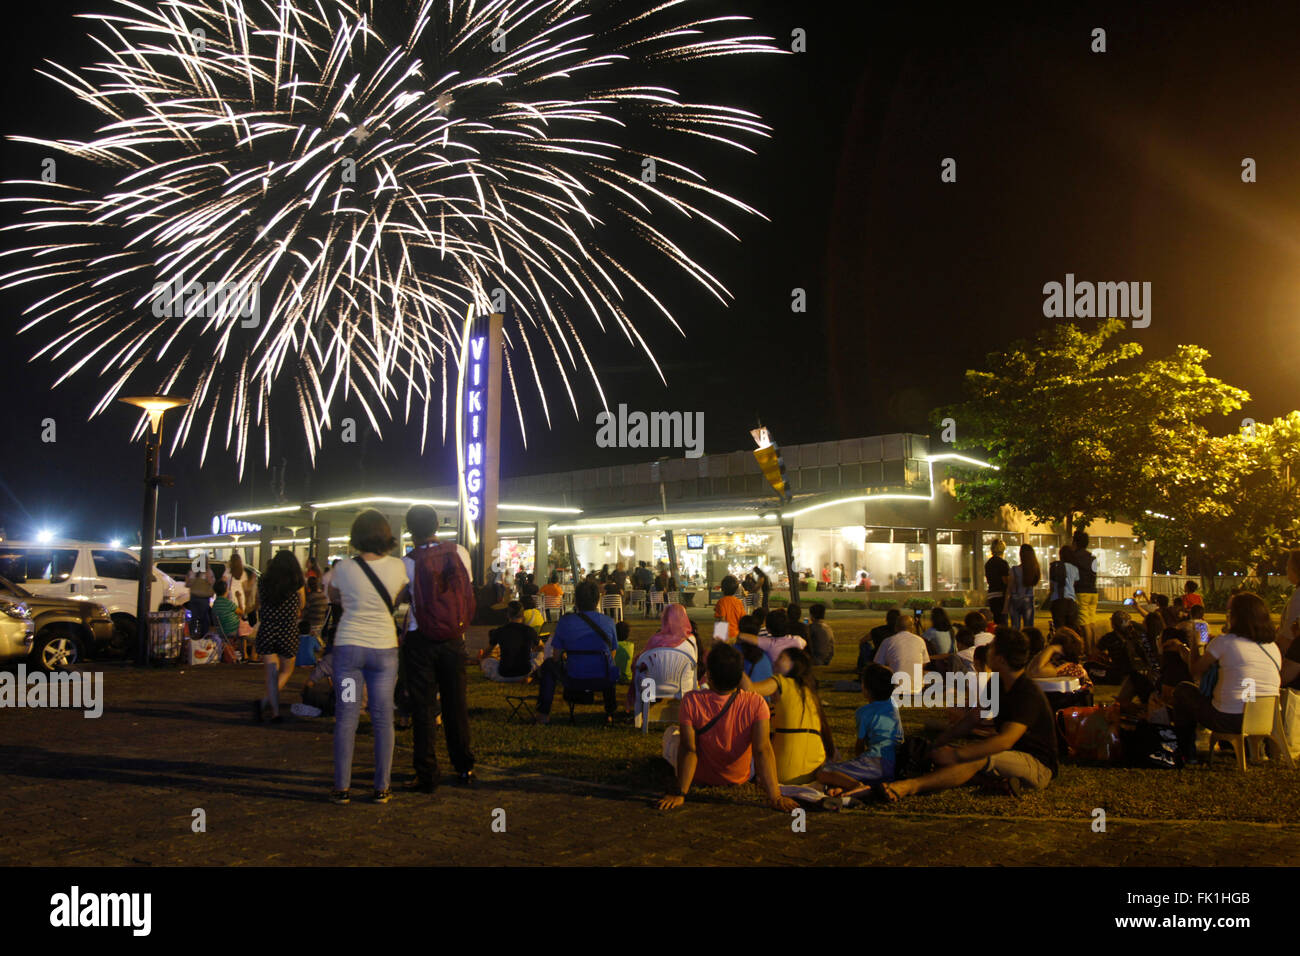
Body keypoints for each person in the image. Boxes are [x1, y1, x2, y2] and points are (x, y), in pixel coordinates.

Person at [881, 628, 1059, 800]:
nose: (988, 652)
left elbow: (1005, 740)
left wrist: (958, 754)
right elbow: (973, 718)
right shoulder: (997, 682)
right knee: (958, 757)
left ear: (1001, 659)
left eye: (993, 648)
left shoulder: (1027, 693)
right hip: (1011, 756)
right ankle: (996, 783)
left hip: (1038, 766)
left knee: (975, 757)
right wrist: (939, 743)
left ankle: (910, 786)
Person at [326, 511, 409, 804]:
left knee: (347, 716)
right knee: (383, 717)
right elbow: (398, 598)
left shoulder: (344, 568)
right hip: (383, 652)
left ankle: (341, 787)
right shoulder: (399, 567)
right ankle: (381, 787)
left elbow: (333, 596)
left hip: (349, 651)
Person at [658, 642, 798, 812]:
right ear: (740, 676)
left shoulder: (691, 700)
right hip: (741, 775)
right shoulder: (756, 702)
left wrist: (680, 793)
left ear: (709, 675)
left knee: (671, 733)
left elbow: (689, 749)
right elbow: (762, 750)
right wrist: (775, 796)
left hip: (699, 775)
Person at [401, 504, 476, 792]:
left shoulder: (409, 562)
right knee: (456, 704)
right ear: (436, 526)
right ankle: (464, 766)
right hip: (454, 639)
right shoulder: (459, 552)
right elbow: (465, 588)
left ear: (410, 530)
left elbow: (404, 597)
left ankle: (427, 772)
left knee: (424, 708)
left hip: (421, 639)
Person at [1172, 591, 1282, 762]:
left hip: (1229, 719)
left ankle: (1187, 752)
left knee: (1183, 691)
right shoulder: (1272, 647)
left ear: (1237, 617)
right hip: (1266, 719)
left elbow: (1195, 670)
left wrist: (1194, 643)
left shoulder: (1225, 642)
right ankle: (1240, 747)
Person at [745, 648, 833, 784]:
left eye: (781, 658)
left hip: (782, 770)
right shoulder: (809, 691)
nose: (775, 661)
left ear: (794, 664)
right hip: (814, 768)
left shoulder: (780, 682)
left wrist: (735, 666)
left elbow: (749, 689)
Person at [536, 580, 620, 724]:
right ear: (597, 600)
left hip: (573, 677)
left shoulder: (565, 622)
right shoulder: (608, 622)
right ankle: (610, 712)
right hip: (602, 678)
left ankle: (543, 714)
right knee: (609, 665)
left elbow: (556, 656)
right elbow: (612, 655)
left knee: (549, 665)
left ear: (576, 600)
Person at [815, 664, 904, 792]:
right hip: (895, 763)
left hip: (874, 762)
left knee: (823, 773)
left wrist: (858, 761)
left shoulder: (863, 712)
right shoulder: (893, 705)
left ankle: (856, 786)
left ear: (865, 689)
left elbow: (860, 746)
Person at [253, 550, 306, 723]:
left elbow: (258, 602)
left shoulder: (263, 581)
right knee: (287, 671)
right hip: (287, 630)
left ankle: (275, 712)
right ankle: (263, 703)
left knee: (271, 674)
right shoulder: (296, 582)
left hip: (267, 629)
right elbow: (303, 603)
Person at [482, 600, 542, 682]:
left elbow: (487, 652)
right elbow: (541, 647)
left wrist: (481, 659)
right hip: (524, 672)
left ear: (508, 614)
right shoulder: (529, 630)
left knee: (486, 661)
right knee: (541, 654)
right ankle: (530, 677)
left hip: (503, 674)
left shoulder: (500, 630)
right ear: (523, 614)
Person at [1027, 627, 1093, 688]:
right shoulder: (1071, 666)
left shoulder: (1068, 667)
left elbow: (1034, 671)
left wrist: (1051, 648)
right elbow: (1030, 670)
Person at [736, 607, 806, 664]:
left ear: (768, 629)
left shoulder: (768, 643)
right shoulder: (798, 640)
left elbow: (742, 636)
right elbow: (804, 643)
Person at [874, 612, 930, 677]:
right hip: (916, 685)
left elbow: (878, 664)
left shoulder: (888, 641)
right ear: (912, 627)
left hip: (895, 684)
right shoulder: (920, 641)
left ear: (896, 627)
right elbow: (924, 663)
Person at [225, 551, 258, 662]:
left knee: (236, 627)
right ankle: (244, 653)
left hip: (232, 600)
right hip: (241, 600)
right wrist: (252, 581)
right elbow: (246, 588)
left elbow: (223, 583)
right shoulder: (242, 573)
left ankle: (233, 652)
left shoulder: (228, 573)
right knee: (242, 626)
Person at [1071, 531, 1100, 646]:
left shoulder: (1074, 557)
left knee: (1084, 623)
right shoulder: (1092, 558)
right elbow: (1094, 574)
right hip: (1093, 592)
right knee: (1091, 621)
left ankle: (1089, 650)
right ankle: (1094, 647)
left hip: (1081, 592)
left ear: (1075, 542)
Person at [1008, 544, 1040, 630]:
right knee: (1029, 627)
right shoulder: (1034, 569)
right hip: (1028, 598)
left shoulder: (1014, 570)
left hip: (1015, 598)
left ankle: (1016, 642)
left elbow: (1010, 588)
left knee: (1015, 627)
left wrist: (1005, 605)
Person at [1048, 545, 1079, 631]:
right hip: (1071, 601)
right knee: (1071, 630)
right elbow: (1075, 584)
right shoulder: (1074, 568)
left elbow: (1052, 586)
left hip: (1058, 601)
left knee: (1059, 629)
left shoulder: (1055, 566)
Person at [736, 616, 774, 685]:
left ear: (739, 629)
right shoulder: (766, 654)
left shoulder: (733, 652)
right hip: (763, 694)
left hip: (742, 694)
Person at [185, 560, 215, 638]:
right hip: (203, 598)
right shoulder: (208, 572)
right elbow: (211, 582)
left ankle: (192, 635)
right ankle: (204, 636)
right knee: (204, 618)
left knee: (194, 618)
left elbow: (188, 584)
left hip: (193, 597)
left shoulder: (193, 571)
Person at [984, 539, 1010, 626]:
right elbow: (1006, 581)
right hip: (1001, 594)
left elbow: (988, 579)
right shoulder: (1002, 563)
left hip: (992, 594)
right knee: (1003, 620)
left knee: (996, 620)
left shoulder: (988, 563)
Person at [211, 578, 240, 655]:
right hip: (231, 630)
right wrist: (239, 598)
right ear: (226, 591)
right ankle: (249, 655)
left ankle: (236, 653)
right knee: (246, 628)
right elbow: (241, 612)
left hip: (221, 631)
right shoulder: (228, 603)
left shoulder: (215, 604)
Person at [713, 574, 745, 640]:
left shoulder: (721, 602)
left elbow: (721, 620)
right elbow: (742, 620)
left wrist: (719, 638)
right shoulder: (739, 602)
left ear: (722, 588)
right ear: (736, 589)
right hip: (737, 635)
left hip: (726, 636)